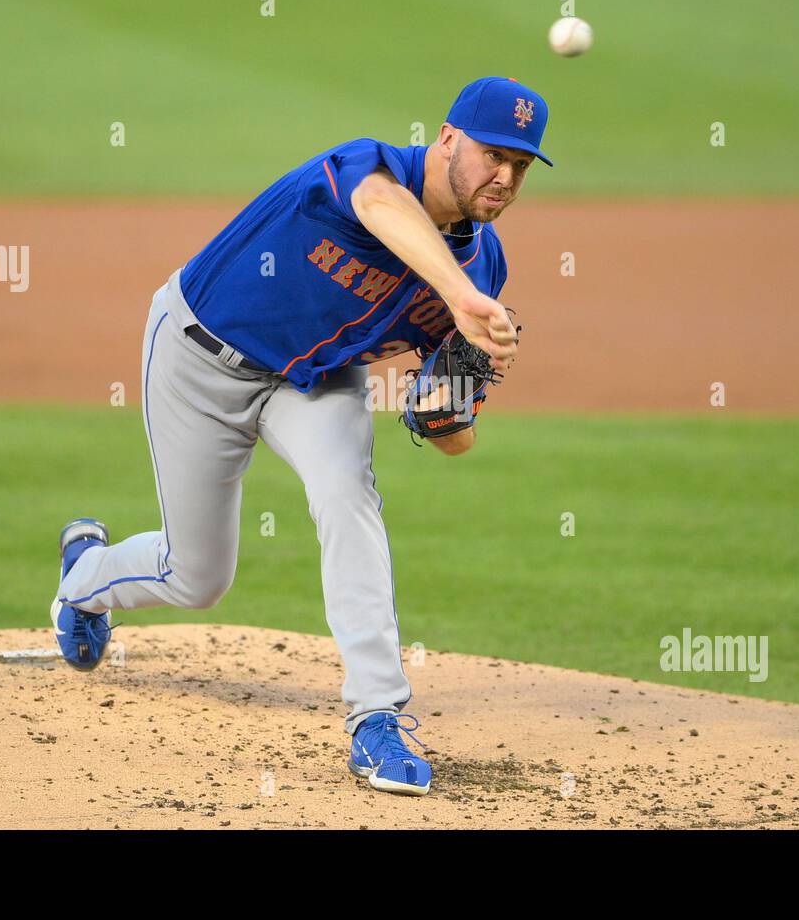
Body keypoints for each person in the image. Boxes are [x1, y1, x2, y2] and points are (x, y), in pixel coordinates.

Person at [50, 76, 551, 796]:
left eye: (521, 166)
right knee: (196, 578)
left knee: (349, 492)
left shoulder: (485, 266)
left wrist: (451, 404)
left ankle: (377, 716)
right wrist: (461, 296)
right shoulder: (370, 168)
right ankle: (84, 582)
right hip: (200, 354)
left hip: (316, 381)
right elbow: (381, 209)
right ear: (446, 139)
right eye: (492, 155)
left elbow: (452, 440)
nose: (504, 177)